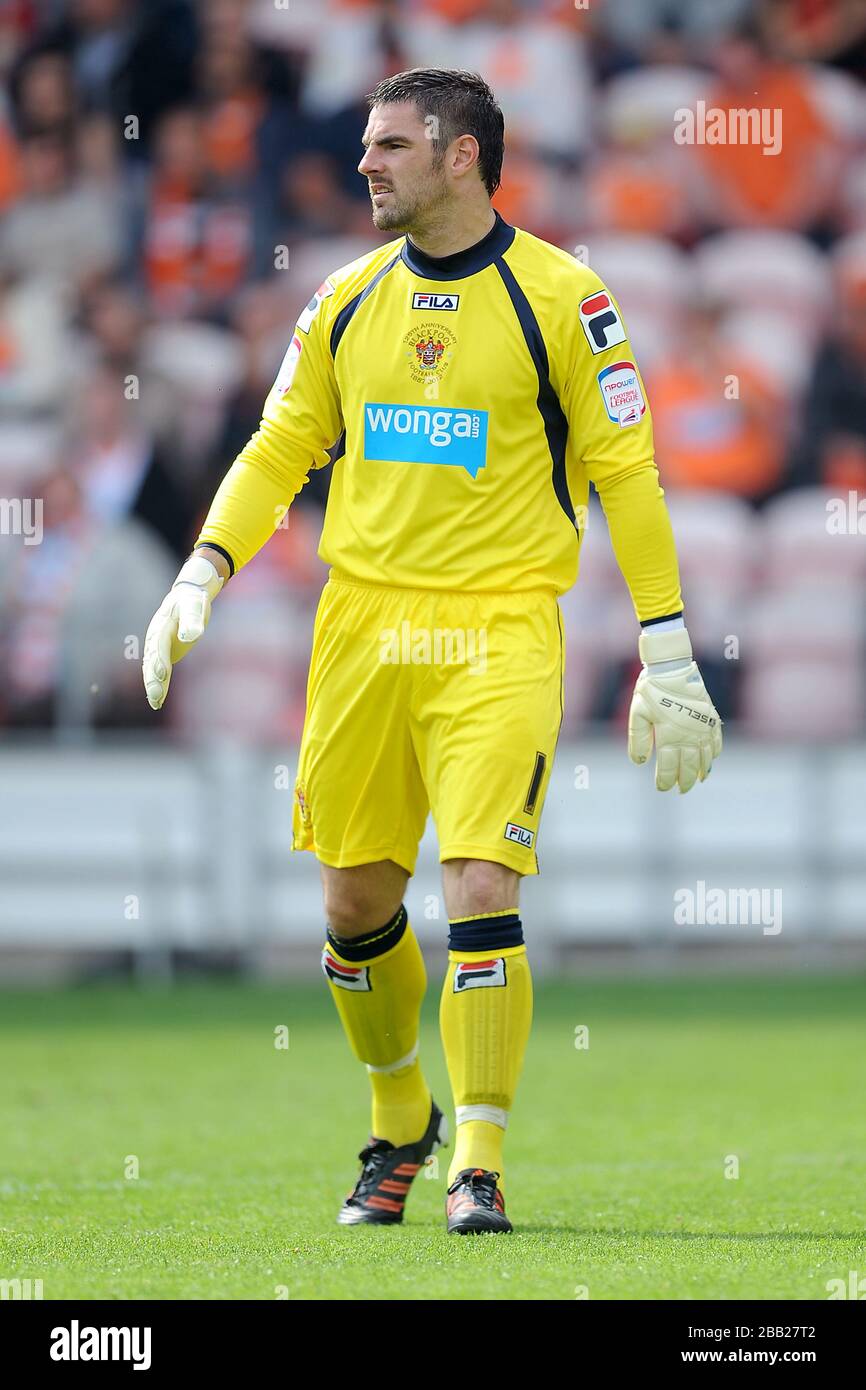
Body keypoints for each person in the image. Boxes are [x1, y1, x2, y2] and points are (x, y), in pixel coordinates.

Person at [141, 68, 722, 1236]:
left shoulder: (563, 298)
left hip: (498, 628)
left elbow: (626, 477)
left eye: (392, 145)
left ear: (462, 157)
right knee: (356, 905)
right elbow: (277, 446)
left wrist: (667, 649)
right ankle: (398, 1116)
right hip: (361, 629)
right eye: (367, 144)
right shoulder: (346, 300)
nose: (367, 163)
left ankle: (477, 1159)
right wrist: (202, 569)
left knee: (476, 884)